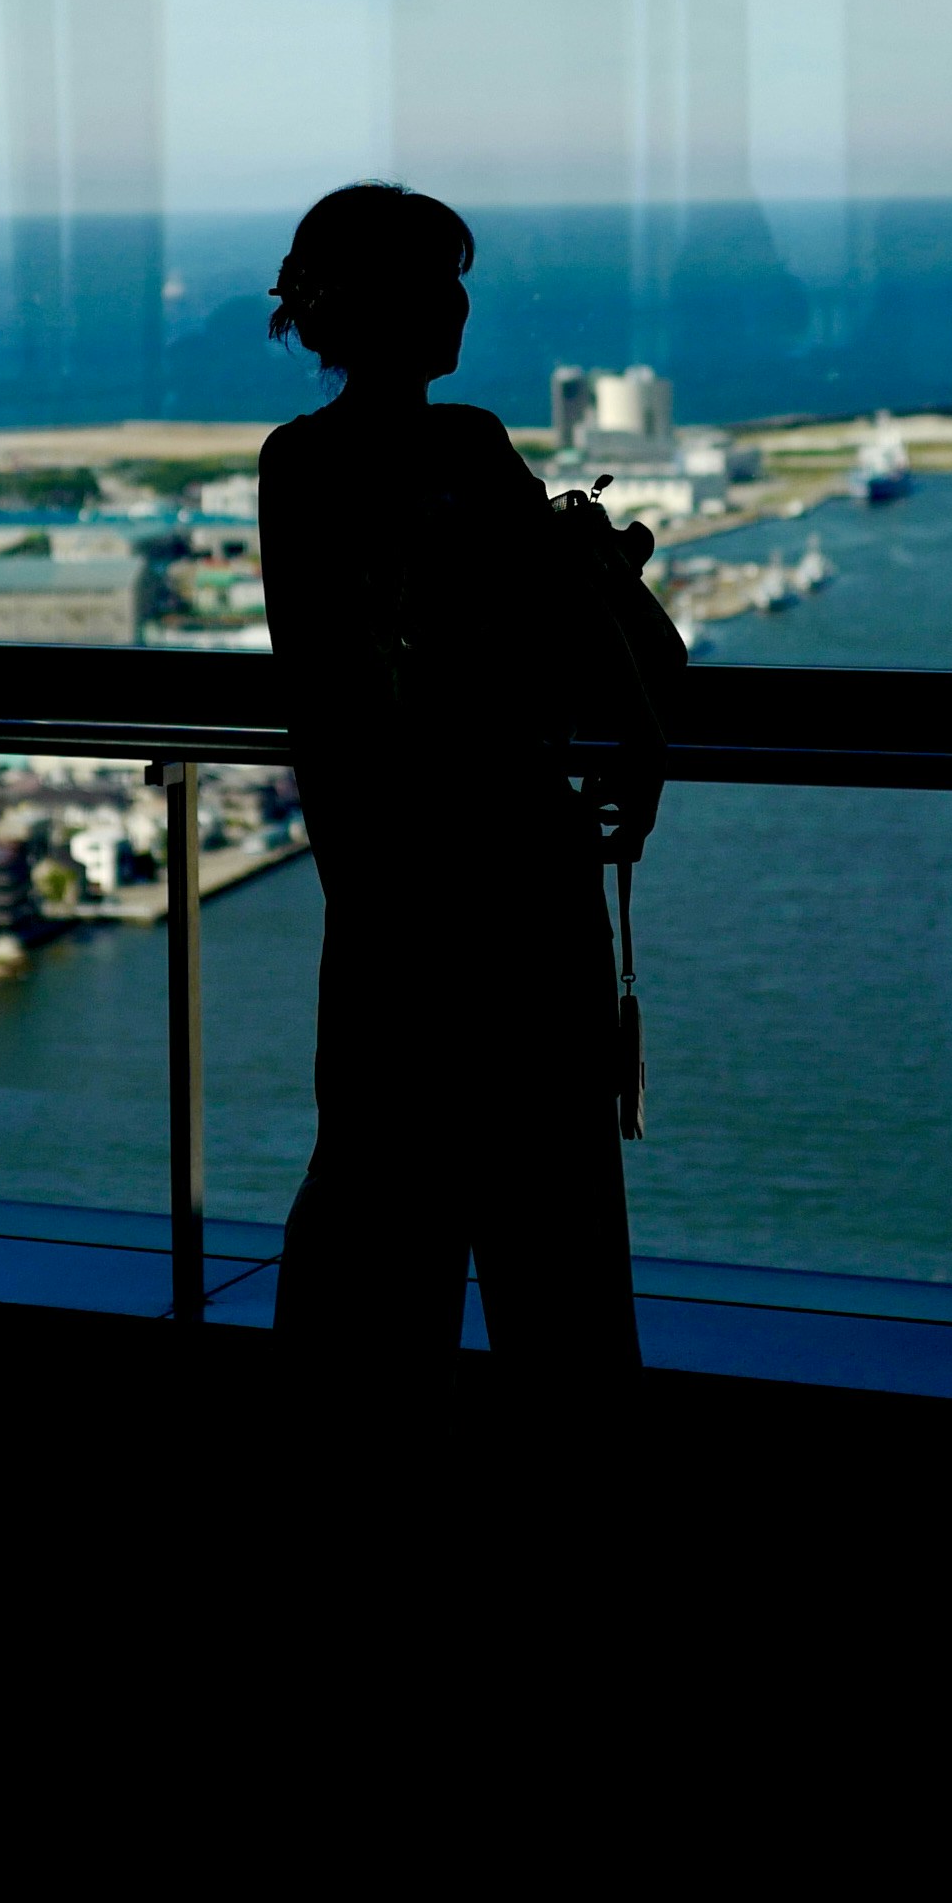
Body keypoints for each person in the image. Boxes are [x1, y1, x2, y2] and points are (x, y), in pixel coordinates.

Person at [257, 181, 667, 1369]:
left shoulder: (304, 468)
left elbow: (335, 716)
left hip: (393, 913)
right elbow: (571, 653)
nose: (457, 309)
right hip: (519, 894)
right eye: (438, 285)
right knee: (559, 1254)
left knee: (377, 1260)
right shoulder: (468, 446)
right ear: (379, 305)